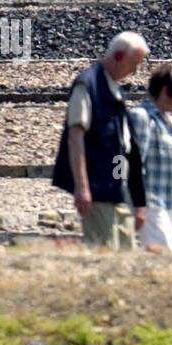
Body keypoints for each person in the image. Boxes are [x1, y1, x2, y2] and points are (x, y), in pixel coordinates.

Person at [51, 32, 149, 250]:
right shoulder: (88, 84)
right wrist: (82, 187)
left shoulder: (114, 90)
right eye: (133, 64)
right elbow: (76, 136)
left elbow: (127, 147)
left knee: (126, 252)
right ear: (118, 56)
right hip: (97, 190)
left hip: (117, 189)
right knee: (103, 250)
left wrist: (139, 201)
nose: (134, 71)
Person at [128, 66, 172, 253]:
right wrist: (137, 204)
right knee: (167, 254)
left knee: (152, 255)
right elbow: (129, 161)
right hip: (149, 202)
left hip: (169, 204)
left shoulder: (171, 123)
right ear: (163, 91)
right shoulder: (141, 117)